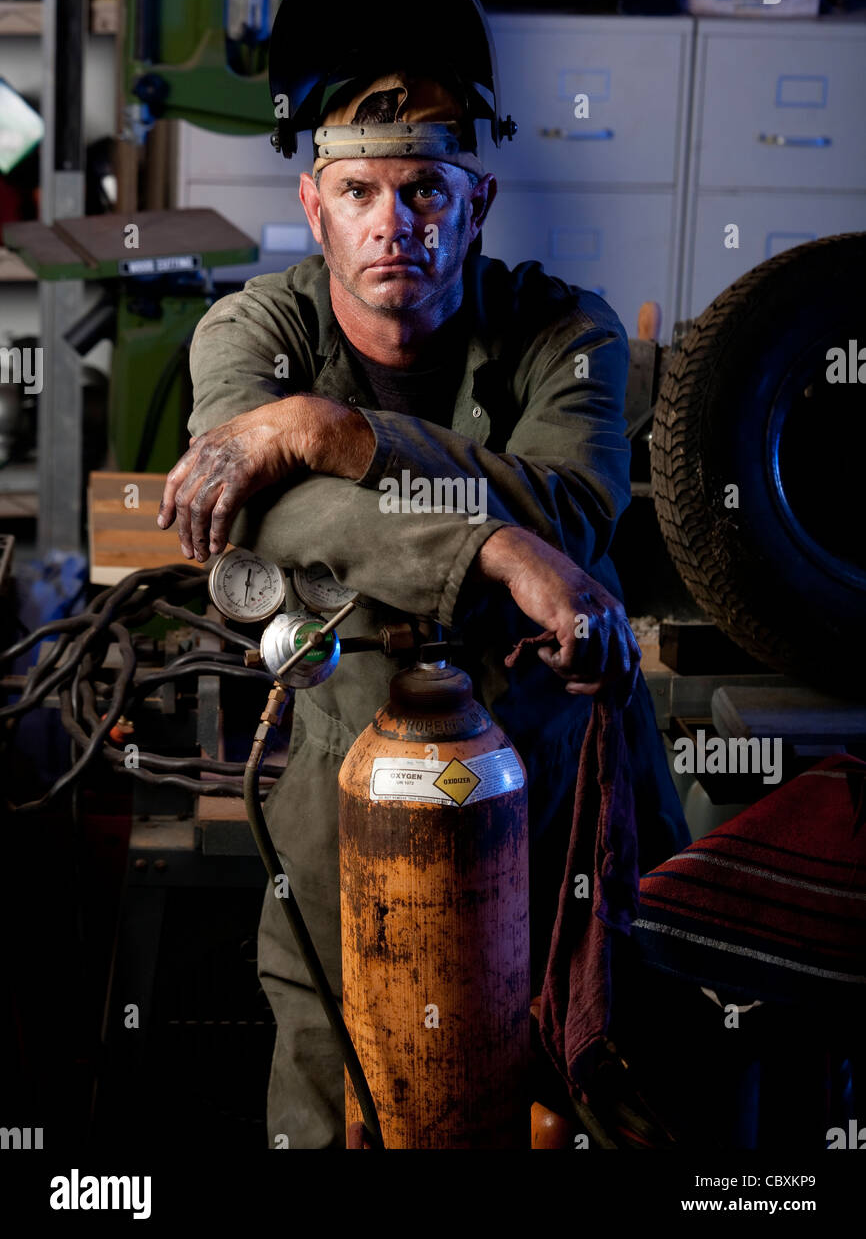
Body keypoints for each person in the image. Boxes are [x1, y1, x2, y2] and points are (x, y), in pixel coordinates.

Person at [158, 66, 689, 1149]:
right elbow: (260, 522)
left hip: (546, 767)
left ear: (475, 203)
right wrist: (491, 544)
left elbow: (573, 511)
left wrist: (331, 434)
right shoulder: (250, 332)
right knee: (330, 1079)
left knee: (588, 1064)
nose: (391, 223)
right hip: (343, 759)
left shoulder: (564, 332)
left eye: (425, 192)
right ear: (314, 205)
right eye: (357, 193)